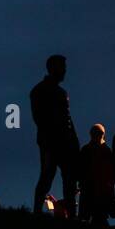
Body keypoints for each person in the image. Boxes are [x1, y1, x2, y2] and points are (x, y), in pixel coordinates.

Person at [30, 55, 81, 219]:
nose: (65, 70)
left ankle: (71, 215)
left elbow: (68, 120)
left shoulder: (59, 92)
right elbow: (40, 119)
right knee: (47, 176)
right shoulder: (39, 91)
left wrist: (74, 142)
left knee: (68, 179)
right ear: (53, 68)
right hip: (51, 143)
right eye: (62, 67)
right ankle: (38, 211)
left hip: (63, 143)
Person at [77, 124, 115, 227]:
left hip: (99, 188)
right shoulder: (103, 150)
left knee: (97, 216)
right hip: (93, 187)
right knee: (98, 216)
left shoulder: (101, 150)